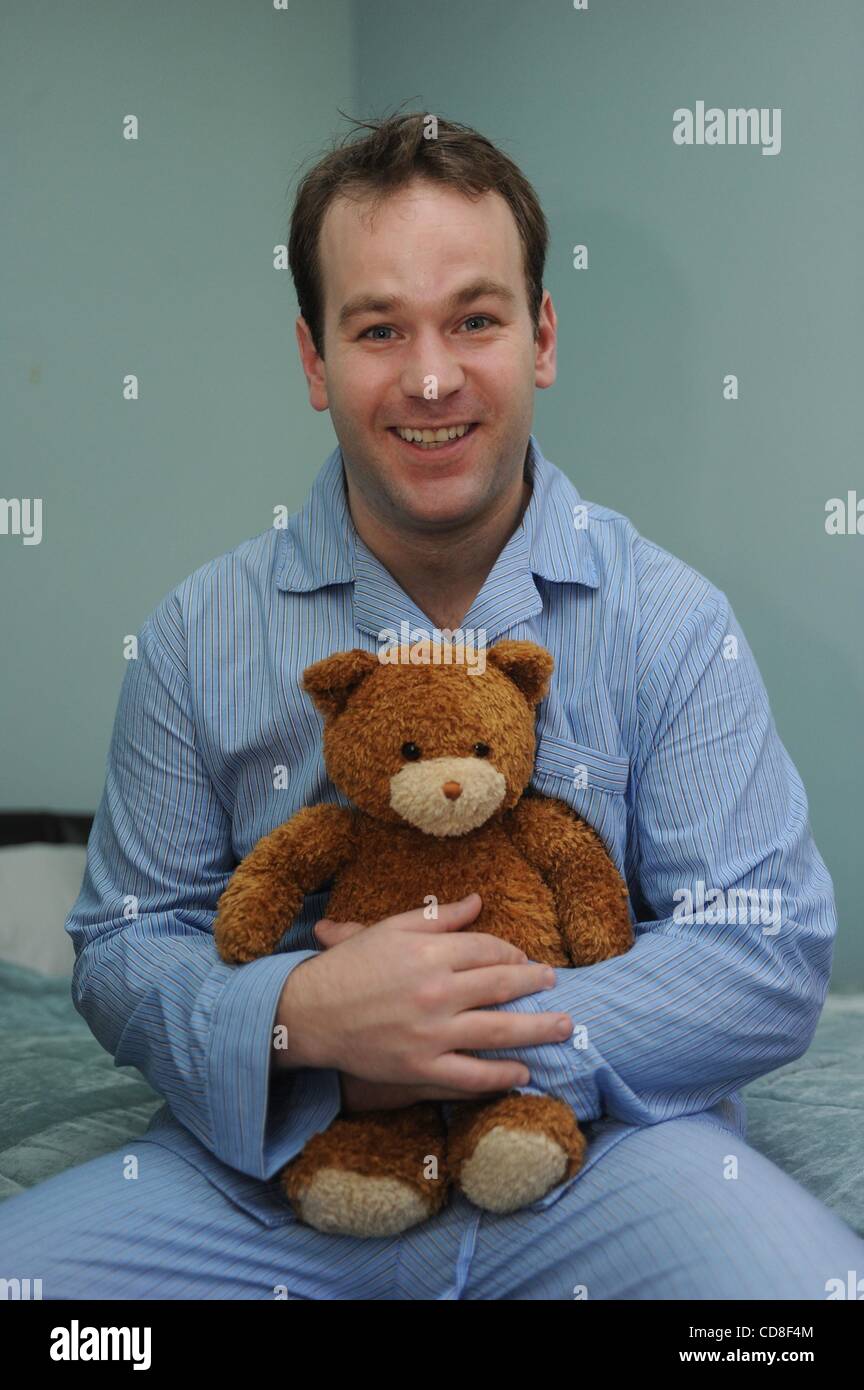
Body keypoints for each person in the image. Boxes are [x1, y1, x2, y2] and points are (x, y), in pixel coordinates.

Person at [1, 112, 861, 1301]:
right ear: (313, 360)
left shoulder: (671, 620)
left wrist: (468, 1034)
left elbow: (762, 946)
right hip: (271, 1179)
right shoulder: (196, 635)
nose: (432, 375)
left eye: (475, 317)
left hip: (603, 1163)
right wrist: (300, 1022)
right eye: (377, 328)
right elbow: (124, 938)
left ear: (542, 335)